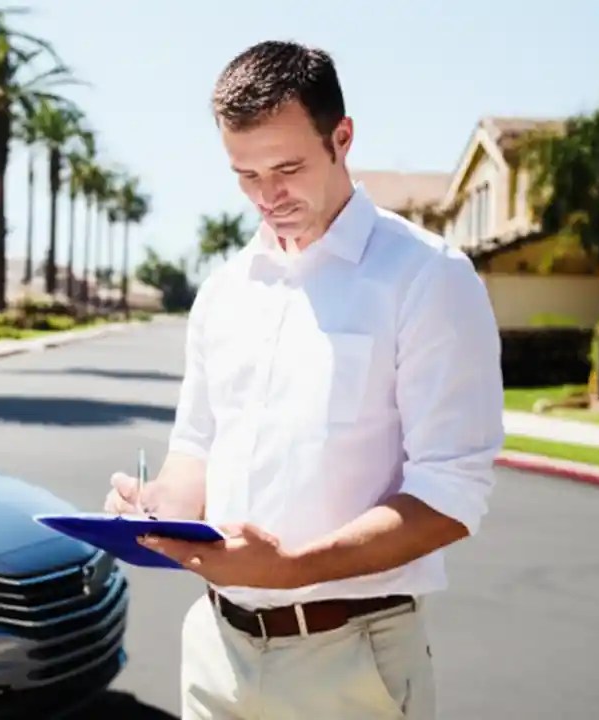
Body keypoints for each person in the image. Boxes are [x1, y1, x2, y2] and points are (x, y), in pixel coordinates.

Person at [104, 39, 504, 720]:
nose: (268, 196)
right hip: (214, 653)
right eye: (245, 175)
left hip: (351, 663)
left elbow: (452, 491)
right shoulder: (225, 290)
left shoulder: (427, 278)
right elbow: (197, 448)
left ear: (341, 138)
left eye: (287, 168)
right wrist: (158, 509)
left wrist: (293, 568)